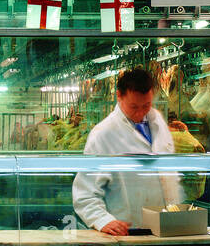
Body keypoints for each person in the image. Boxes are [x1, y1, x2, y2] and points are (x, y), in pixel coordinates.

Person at [73, 67, 182, 235]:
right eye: (133, 106)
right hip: (127, 231)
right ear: (119, 96)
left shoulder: (157, 121)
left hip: (167, 227)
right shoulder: (103, 134)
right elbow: (85, 194)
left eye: (146, 105)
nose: (140, 113)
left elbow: (169, 174)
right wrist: (103, 220)